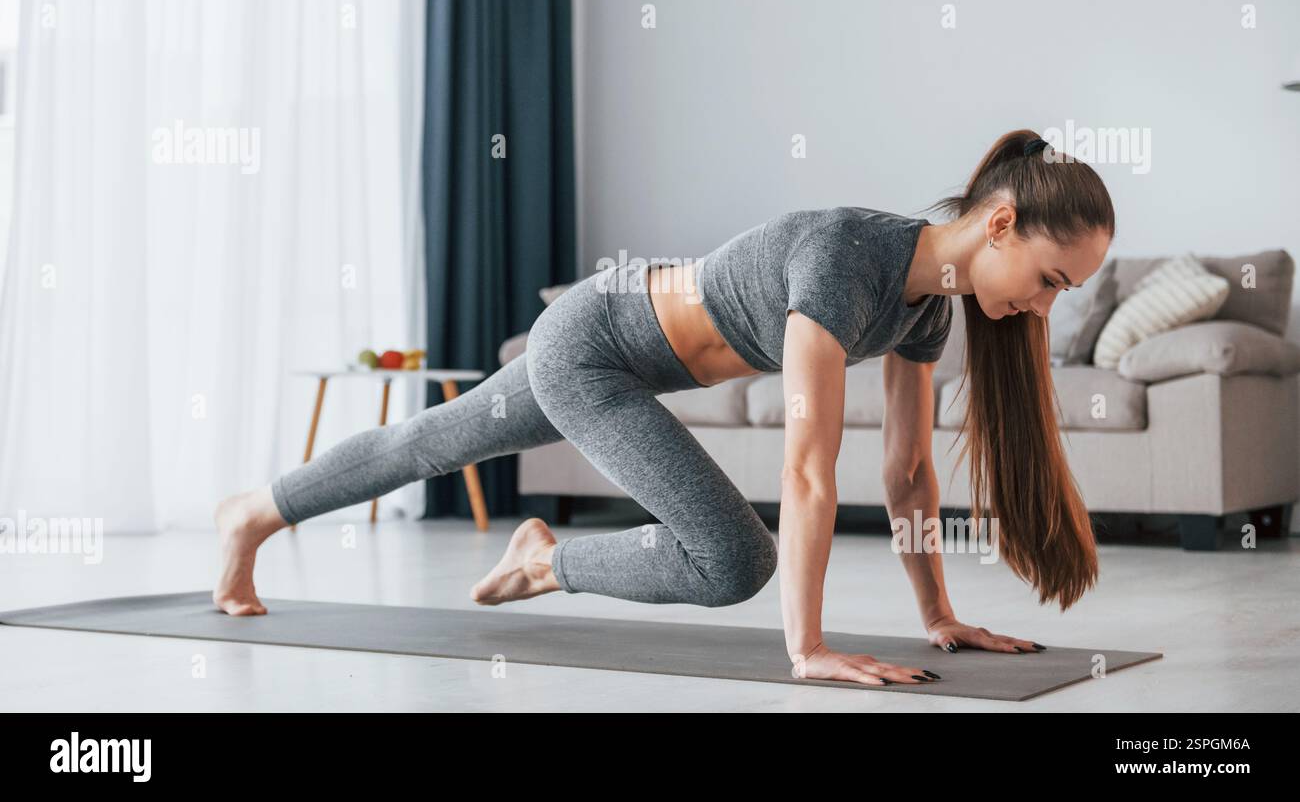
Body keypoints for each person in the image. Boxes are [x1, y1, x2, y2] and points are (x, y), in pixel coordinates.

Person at [213, 128, 1113, 687]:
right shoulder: (848, 257)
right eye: (1049, 281)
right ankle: (543, 561)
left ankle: (255, 513)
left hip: (621, 356)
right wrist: (808, 649)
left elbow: (908, 474)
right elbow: (808, 468)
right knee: (731, 560)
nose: (1043, 307)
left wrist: (937, 617)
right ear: (999, 225)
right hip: (593, 341)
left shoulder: (924, 310)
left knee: (431, 441)